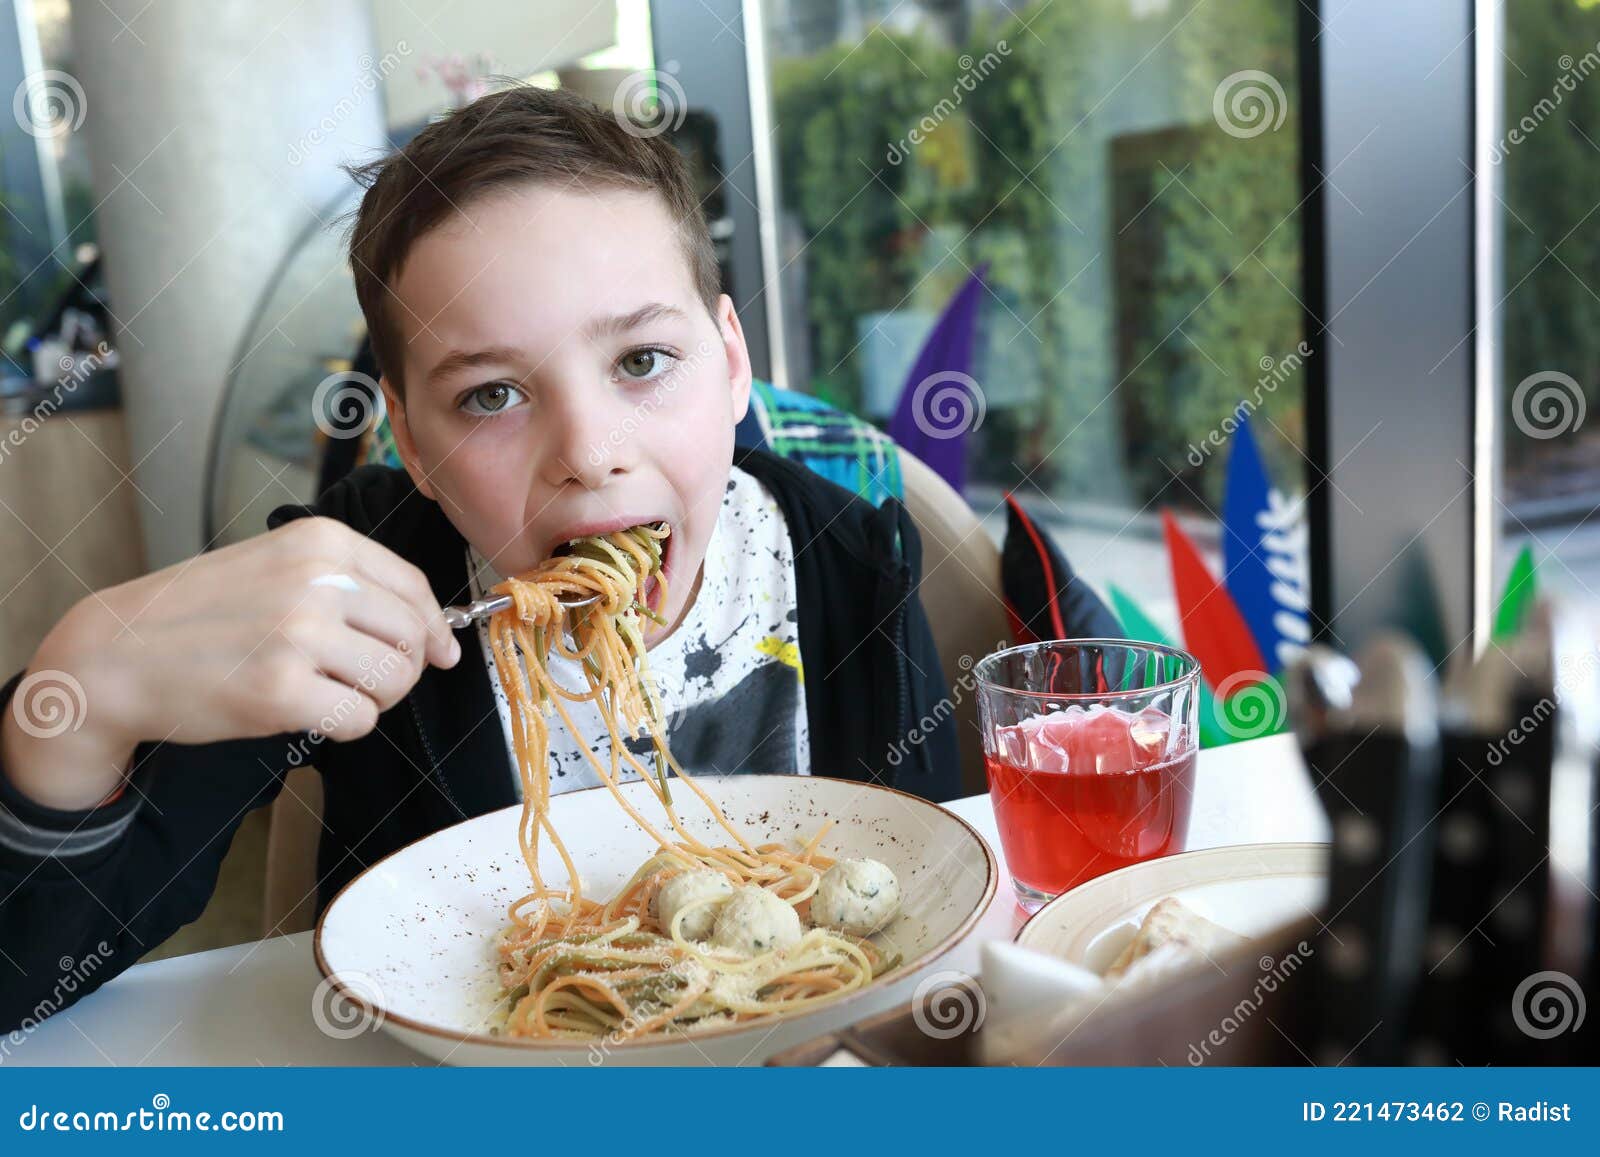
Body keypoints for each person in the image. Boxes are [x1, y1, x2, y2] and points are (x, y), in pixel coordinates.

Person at [0, 85, 958, 1031]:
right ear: (412, 443)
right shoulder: (357, 588)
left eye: (641, 361)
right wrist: (80, 695)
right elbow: (23, 976)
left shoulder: (851, 564)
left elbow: (930, 913)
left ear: (731, 361)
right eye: (493, 395)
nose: (587, 452)